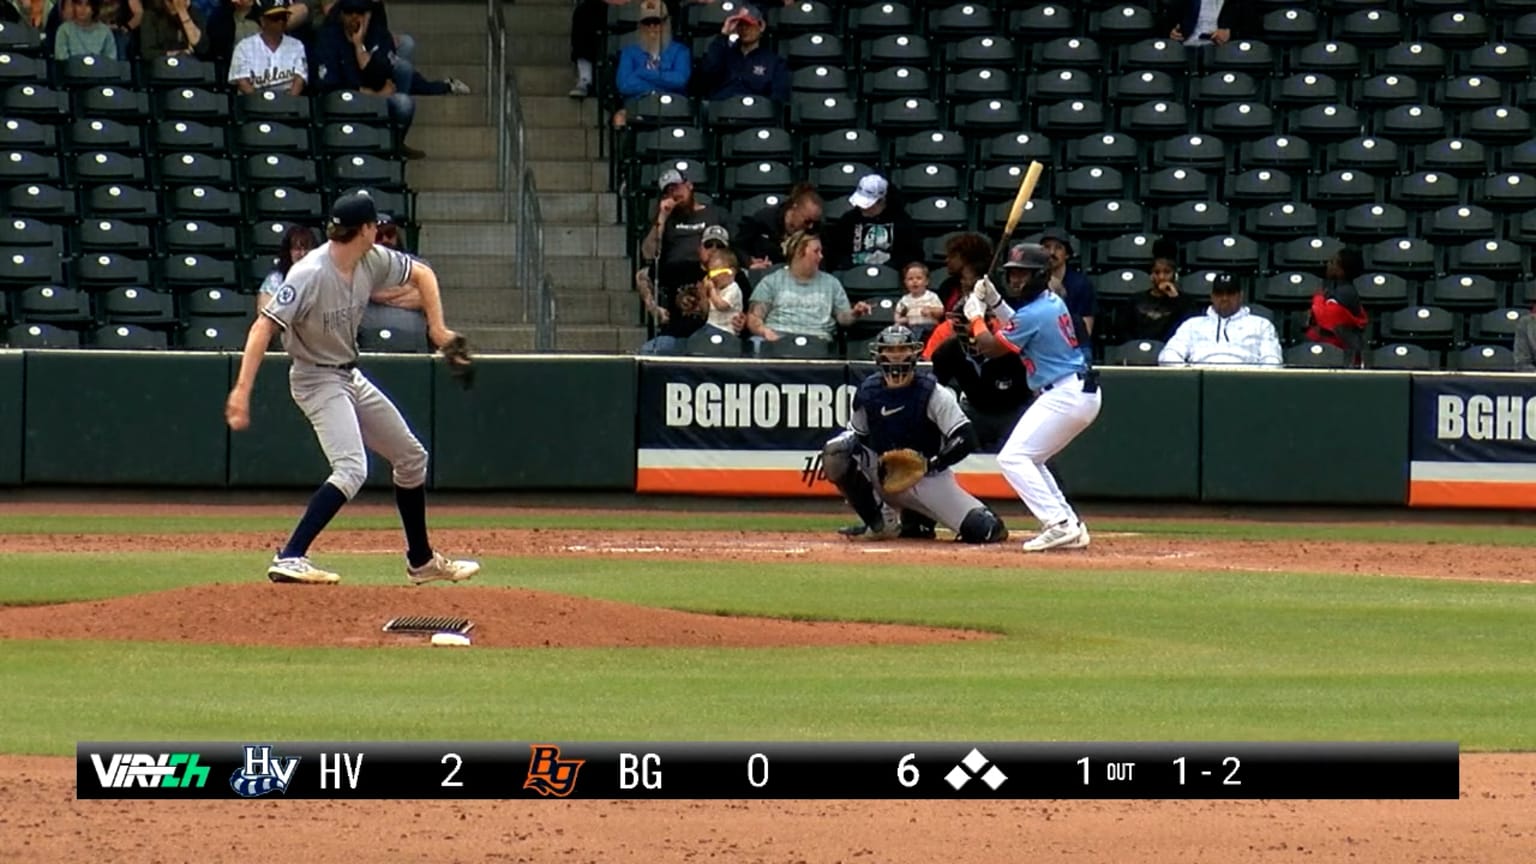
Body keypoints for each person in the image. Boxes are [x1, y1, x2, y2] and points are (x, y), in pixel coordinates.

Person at [223, 192, 479, 586]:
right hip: (314, 378)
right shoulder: (310, 273)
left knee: (411, 458)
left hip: (348, 375)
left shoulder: (370, 259)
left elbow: (422, 274)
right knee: (352, 468)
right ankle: (290, 556)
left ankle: (421, 560)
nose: (379, 231)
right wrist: (242, 390)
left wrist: (438, 329)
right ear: (365, 229)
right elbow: (263, 326)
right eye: (375, 225)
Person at [965, 248, 1102, 552]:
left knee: (1012, 458)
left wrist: (975, 314)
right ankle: (1068, 523)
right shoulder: (1047, 303)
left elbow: (988, 347)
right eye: (1013, 272)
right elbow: (1019, 323)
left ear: (1039, 276)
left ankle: (1057, 523)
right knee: (1031, 458)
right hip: (1074, 391)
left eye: (1023, 273)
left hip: (1065, 394)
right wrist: (996, 302)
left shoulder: (1037, 311)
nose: (1016, 278)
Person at [822, 324, 1009, 543]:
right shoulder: (868, 390)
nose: (896, 356)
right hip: (884, 472)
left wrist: (930, 464)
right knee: (836, 451)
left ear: (914, 353)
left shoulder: (933, 392)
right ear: (879, 354)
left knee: (984, 529)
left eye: (902, 349)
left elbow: (965, 437)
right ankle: (880, 521)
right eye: (890, 351)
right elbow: (857, 436)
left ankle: (919, 516)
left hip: (926, 476)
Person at [746, 230, 871, 345]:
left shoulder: (831, 283)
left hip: (818, 341)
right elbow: (754, 317)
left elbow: (843, 319)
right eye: (816, 251)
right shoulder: (771, 281)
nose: (821, 256)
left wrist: (855, 313)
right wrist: (764, 331)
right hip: (778, 338)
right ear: (799, 252)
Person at [1158, 272, 1283, 367]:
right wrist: (1190, 375)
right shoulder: (1192, 324)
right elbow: (1168, 356)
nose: (1224, 298)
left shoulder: (1261, 325)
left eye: (1230, 293)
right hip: (1200, 381)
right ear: (1212, 296)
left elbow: (1272, 360)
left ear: (1241, 296)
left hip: (1246, 382)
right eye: (1219, 293)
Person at [822, 174, 922, 273]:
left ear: (881, 201)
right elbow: (835, 253)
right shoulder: (848, 220)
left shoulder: (902, 222)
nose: (863, 208)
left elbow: (912, 255)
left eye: (868, 205)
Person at [695, 3, 789, 103]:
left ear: (761, 26)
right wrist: (723, 34)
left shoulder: (774, 62)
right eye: (740, 25)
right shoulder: (724, 53)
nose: (744, 29)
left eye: (748, 25)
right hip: (722, 111)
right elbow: (707, 73)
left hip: (755, 113)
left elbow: (778, 98)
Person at [614, 0, 689, 102]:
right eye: (647, 22)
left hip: (672, 106)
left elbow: (680, 80)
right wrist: (659, 87)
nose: (652, 27)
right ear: (640, 25)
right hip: (637, 105)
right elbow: (624, 85)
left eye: (656, 22)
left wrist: (641, 73)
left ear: (666, 23)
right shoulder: (629, 52)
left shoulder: (680, 51)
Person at [1304, 247, 1368, 366]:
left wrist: (1317, 301)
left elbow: (1326, 320)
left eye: (1332, 262)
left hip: (1342, 350)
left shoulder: (1345, 293)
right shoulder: (1337, 290)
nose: (1328, 264)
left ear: (1341, 271)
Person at [229, 0, 307, 95]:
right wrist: (262, 104)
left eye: (283, 17)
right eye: (276, 18)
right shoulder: (244, 47)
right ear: (263, 21)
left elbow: (299, 80)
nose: (281, 21)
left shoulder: (297, 45)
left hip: (287, 104)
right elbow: (241, 81)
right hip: (253, 105)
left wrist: (288, 103)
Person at [737, 183, 821, 270]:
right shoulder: (764, 218)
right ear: (795, 208)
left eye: (814, 222)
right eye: (807, 221)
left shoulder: (814, 230)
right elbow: (738, 247)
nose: (811, 226)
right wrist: (750, 261)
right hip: (763, 271)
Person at [1124, 245, 1197, 343]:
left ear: (1175, 275)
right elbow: (1124, 331)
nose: (1161, 277)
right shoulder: (1136, 300)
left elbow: (1191, 327)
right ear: (1151, 275)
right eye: (1157, 272)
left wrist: (1175, 299)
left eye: (1167, 272)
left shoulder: (1186, 301)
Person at [1037, 227, 1097, 342]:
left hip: (1072, 345)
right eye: (1047, 247)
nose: (1051, 253)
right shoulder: (1032, 281)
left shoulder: (1081, 284)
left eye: (1058, 248)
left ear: (1067, 254)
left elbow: (1086, 333)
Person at [257, 223, 321, 310]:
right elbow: (263, 313)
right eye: (297, 249)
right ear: (289, 251)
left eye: (306, 249)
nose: (302, 254)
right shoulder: (275, 280)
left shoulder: (324, 277)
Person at [1159, 0, 1260, 47]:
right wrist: (1171, 33)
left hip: (1223, 49)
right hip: (1186, 47)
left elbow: (1253, 29)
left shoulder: (1241, 2)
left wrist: (1230, 34)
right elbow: (1166, 24)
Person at [894, 261, 943, 343]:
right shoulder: (905, 299)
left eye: (919, 278)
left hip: (929, 327)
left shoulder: (932, 296)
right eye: (910, 279)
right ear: (905, 282)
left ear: (926, 281)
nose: (914, 281)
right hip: (911, 327)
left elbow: (941, 311)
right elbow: (898, 312)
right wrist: (900, 320)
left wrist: (931, 310)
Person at [700, 248, 744, 339]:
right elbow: (705, 311)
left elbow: (722, 306)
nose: (714, 277)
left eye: (717, 272)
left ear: (731, 271)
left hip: (726, 330)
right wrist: (704, 294)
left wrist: (712, 290)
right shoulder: (716, 290)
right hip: (709, 326)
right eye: (711, 273)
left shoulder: (733, 288)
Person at [139, 0, 206, 56]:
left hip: (191, 66)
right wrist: (174, 54)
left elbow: (202, 48)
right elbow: (147, 52)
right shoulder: (151, 16)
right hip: (162, 66)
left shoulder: (194, 13)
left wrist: (182, 12)